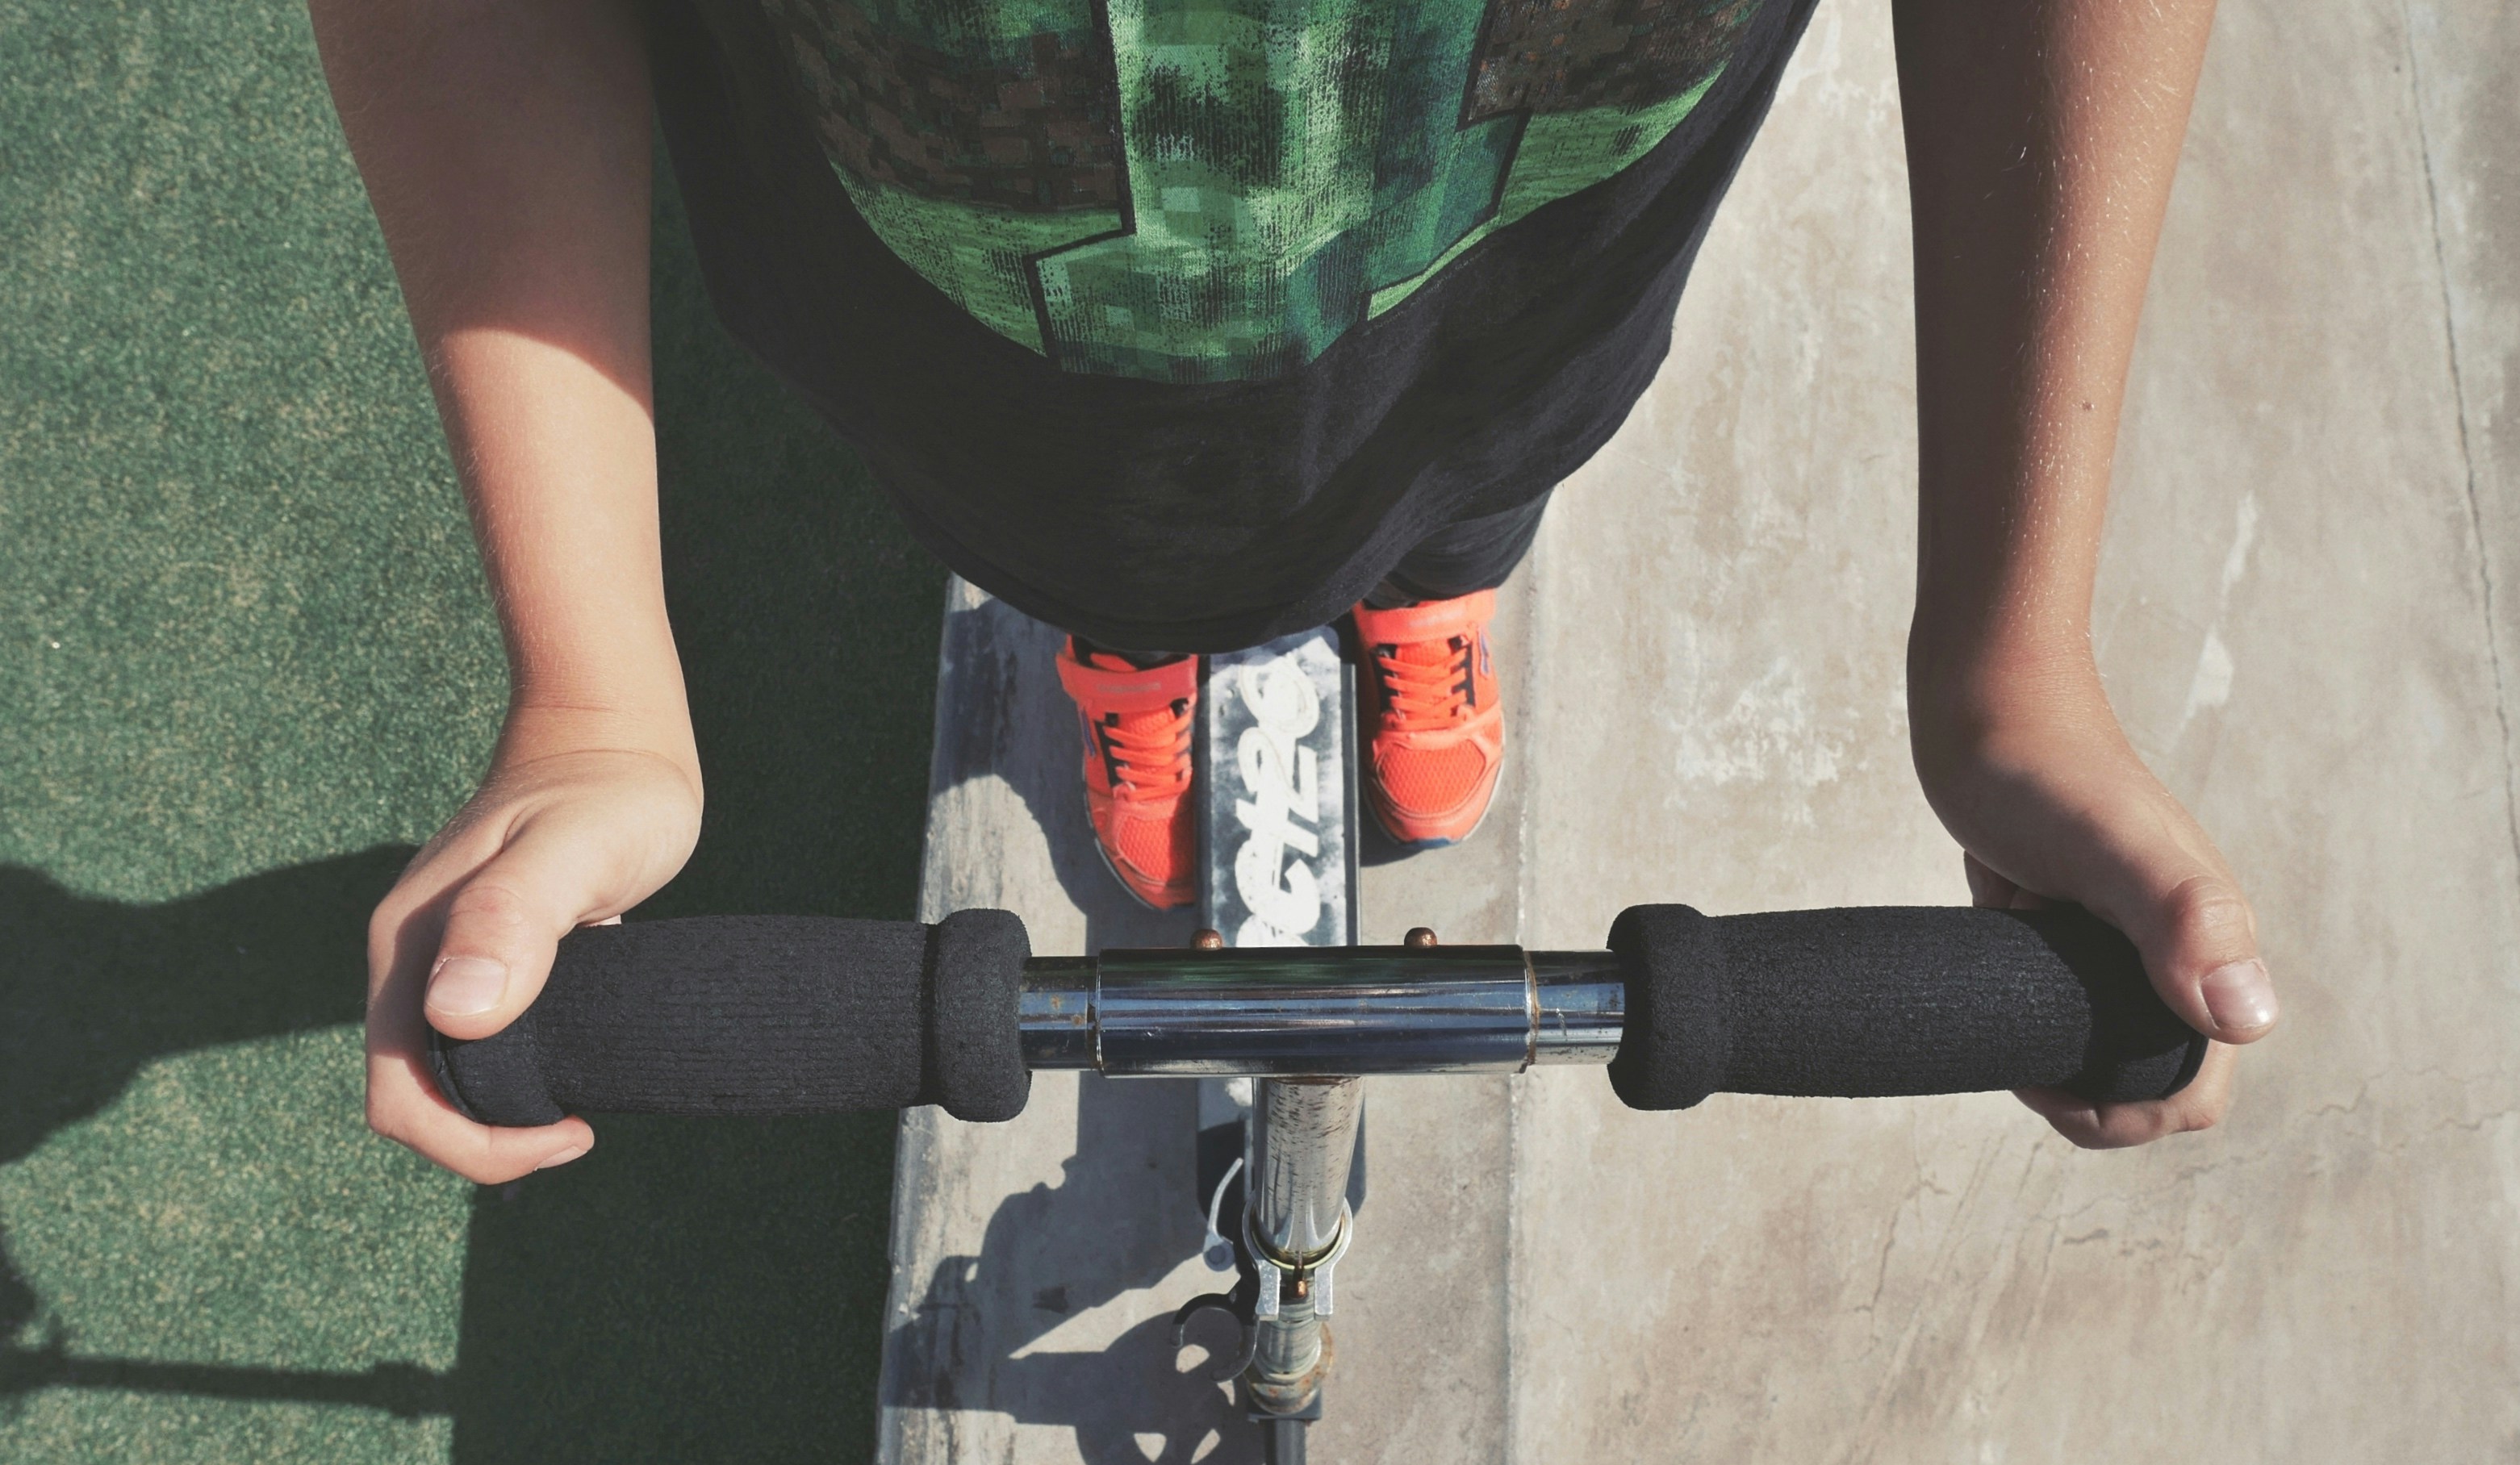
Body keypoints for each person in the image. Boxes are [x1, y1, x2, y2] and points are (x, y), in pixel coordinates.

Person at [320, 0, 2279, 1183]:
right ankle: (1128, 634)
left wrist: (2011, 665)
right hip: (993, 351)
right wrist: (587, 688)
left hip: (1524, 261)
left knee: (1472, 469)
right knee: (1085, 538)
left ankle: (1428, 589)